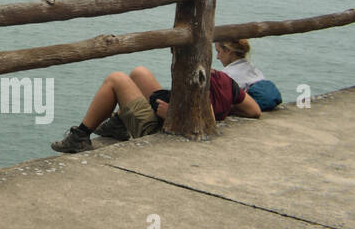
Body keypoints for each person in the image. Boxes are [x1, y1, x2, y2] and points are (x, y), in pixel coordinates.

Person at [51, 64, 260, 154]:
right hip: (168, 113)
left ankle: (80, 137)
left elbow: (206, 119)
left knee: (116, 79)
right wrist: (226, 110)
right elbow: (254, 111)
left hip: (161, 129)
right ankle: (118, 124)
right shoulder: (225, 81)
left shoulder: (195, 87)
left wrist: (173, 114)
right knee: (139, 73)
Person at [216, 38, 282, 110]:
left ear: (229, 51)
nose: (217, 57)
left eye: (218, 51)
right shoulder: (254, 69)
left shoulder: (226, 74)